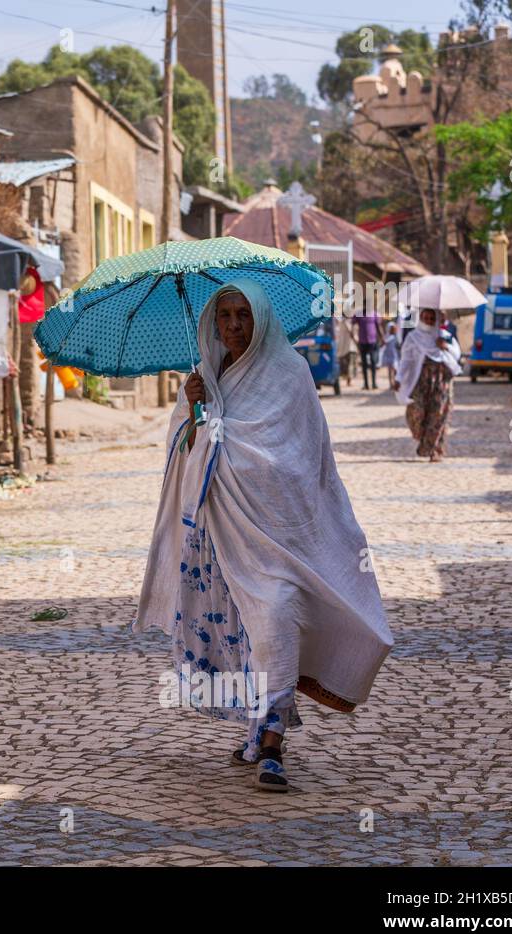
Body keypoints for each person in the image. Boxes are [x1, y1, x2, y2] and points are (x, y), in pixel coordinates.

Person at [135, 279, 393, 793]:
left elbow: (301, 460)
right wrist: (195, 412)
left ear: (263, 321)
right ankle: (260, 727)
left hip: (280, 535)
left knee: (276, 622)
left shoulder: (290, 374)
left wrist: (233, 448)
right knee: (244, 635)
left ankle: (273, 743)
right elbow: (184, 454)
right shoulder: (205, 375)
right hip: (219, 538)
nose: (232, 326)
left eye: (243, 315)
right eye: (224, 316)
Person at [393, 307, 462, 462]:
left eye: (432, 318)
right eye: (426, 318)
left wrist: (445, 346)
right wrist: (399, 378)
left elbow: (457, 354)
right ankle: (424, 438)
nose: (429, 321)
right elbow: (406, 360)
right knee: (415, 412)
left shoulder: (445, 336)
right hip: (421, 381)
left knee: (439, 414)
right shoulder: (413, 337)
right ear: (421, 318)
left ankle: (434, 449)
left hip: (442, 380)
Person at [352, 311, 385, 389]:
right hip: (362, 342)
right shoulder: (358, 314)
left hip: (372, 342)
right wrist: (354, 337)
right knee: (364, 364)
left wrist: (382, 338)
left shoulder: (374, 314)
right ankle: (366, 384)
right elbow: (353, 325)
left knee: (373, 362)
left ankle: (374, 383)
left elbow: (378, 326)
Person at [380, 320, 400, 389]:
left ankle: (395, 382)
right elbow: (382, 345)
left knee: (395, 370)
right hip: (389, 355)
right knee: (390, 371)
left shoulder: (397, 337)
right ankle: (390, 384)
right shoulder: (386, 337)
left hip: (395, 356)